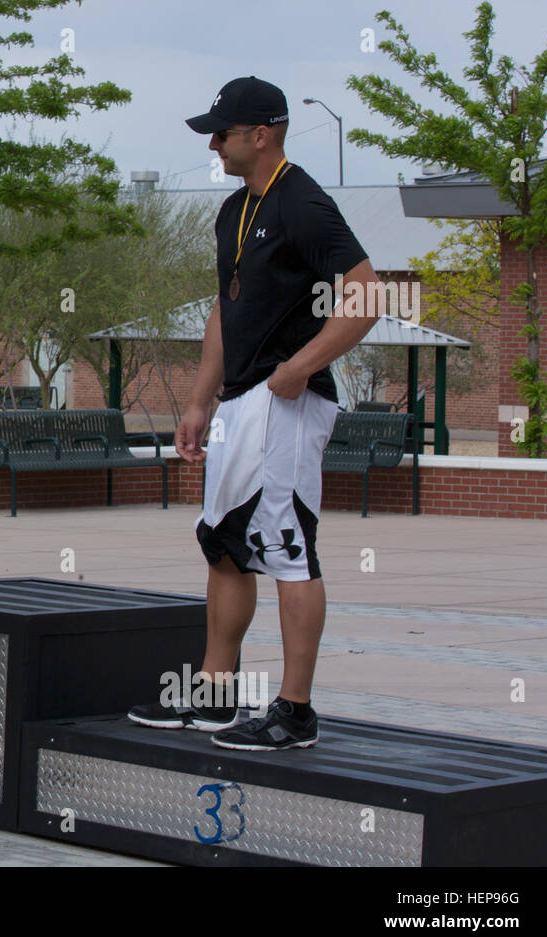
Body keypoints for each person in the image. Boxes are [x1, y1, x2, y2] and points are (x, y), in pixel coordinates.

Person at [127, 77, 380, 750]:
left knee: (289, 550)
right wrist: (200, 400)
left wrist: (301, 365)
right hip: (240, 404)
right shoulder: (236, 208)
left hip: (288, 407)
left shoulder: (303, 202)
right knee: (225, 548)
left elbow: (366, 293)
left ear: (261, 134)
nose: (212, 143)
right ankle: (214, 698)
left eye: (222, 132)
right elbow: (225, 309)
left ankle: (295, 711)